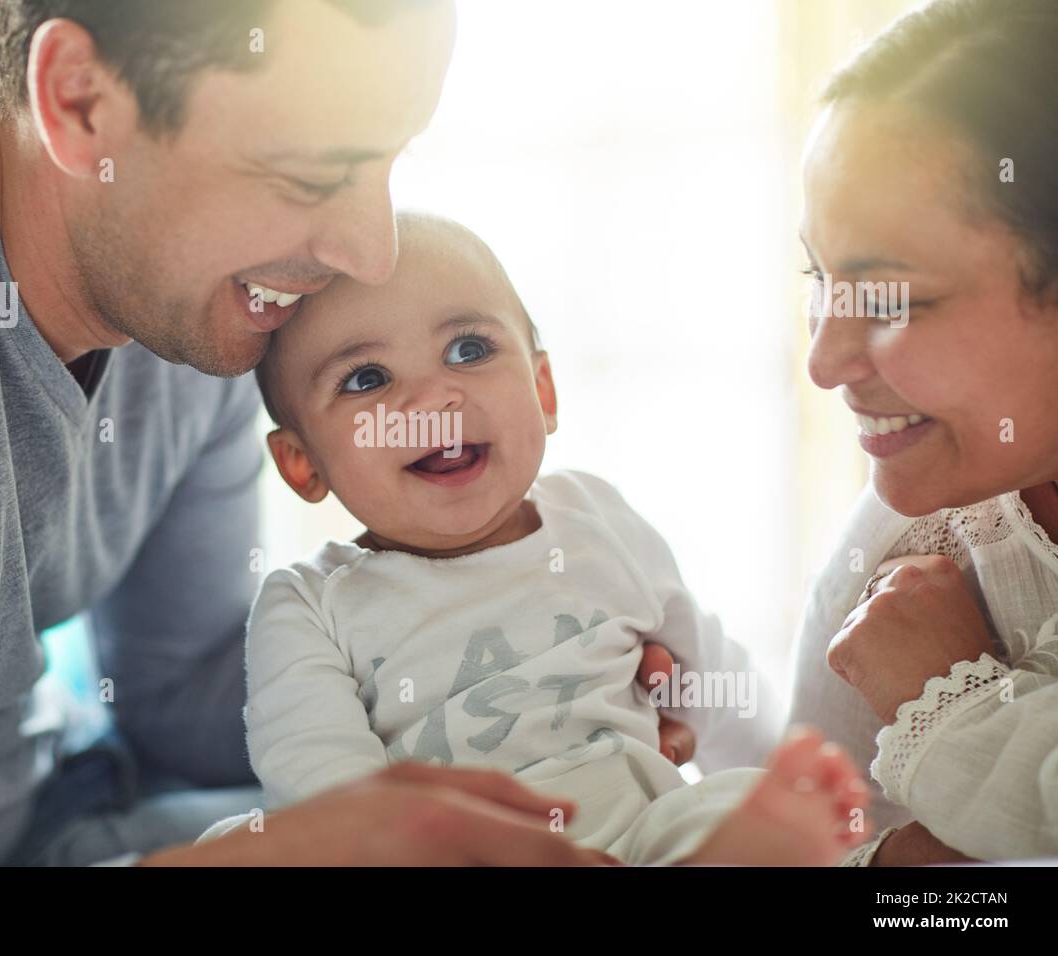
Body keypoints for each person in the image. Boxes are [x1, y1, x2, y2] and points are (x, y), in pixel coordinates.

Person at [0, 0, 681, 867]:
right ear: (81, 103)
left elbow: (174, 696)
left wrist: (503, 667)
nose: (368, 252)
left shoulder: (189, 299)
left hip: (65, 813)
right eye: (311, 176)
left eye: (387, 162)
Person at [193, 212, 869, 866]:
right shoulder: (308, 604)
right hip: (456, 852)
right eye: (366, 379)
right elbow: (329, 792)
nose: (434, 400)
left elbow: (704, 678)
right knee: (235, 848)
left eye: (469, 350)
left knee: (724, 802)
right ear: (301, 462)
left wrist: (776, 773)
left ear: (543, 389)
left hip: (642, 829)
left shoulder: (594, 517)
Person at [789, 0, 1058, 864]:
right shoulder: (904, 546)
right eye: (817, 277)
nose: (824, 363)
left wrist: (954, 707)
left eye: (889, 296)